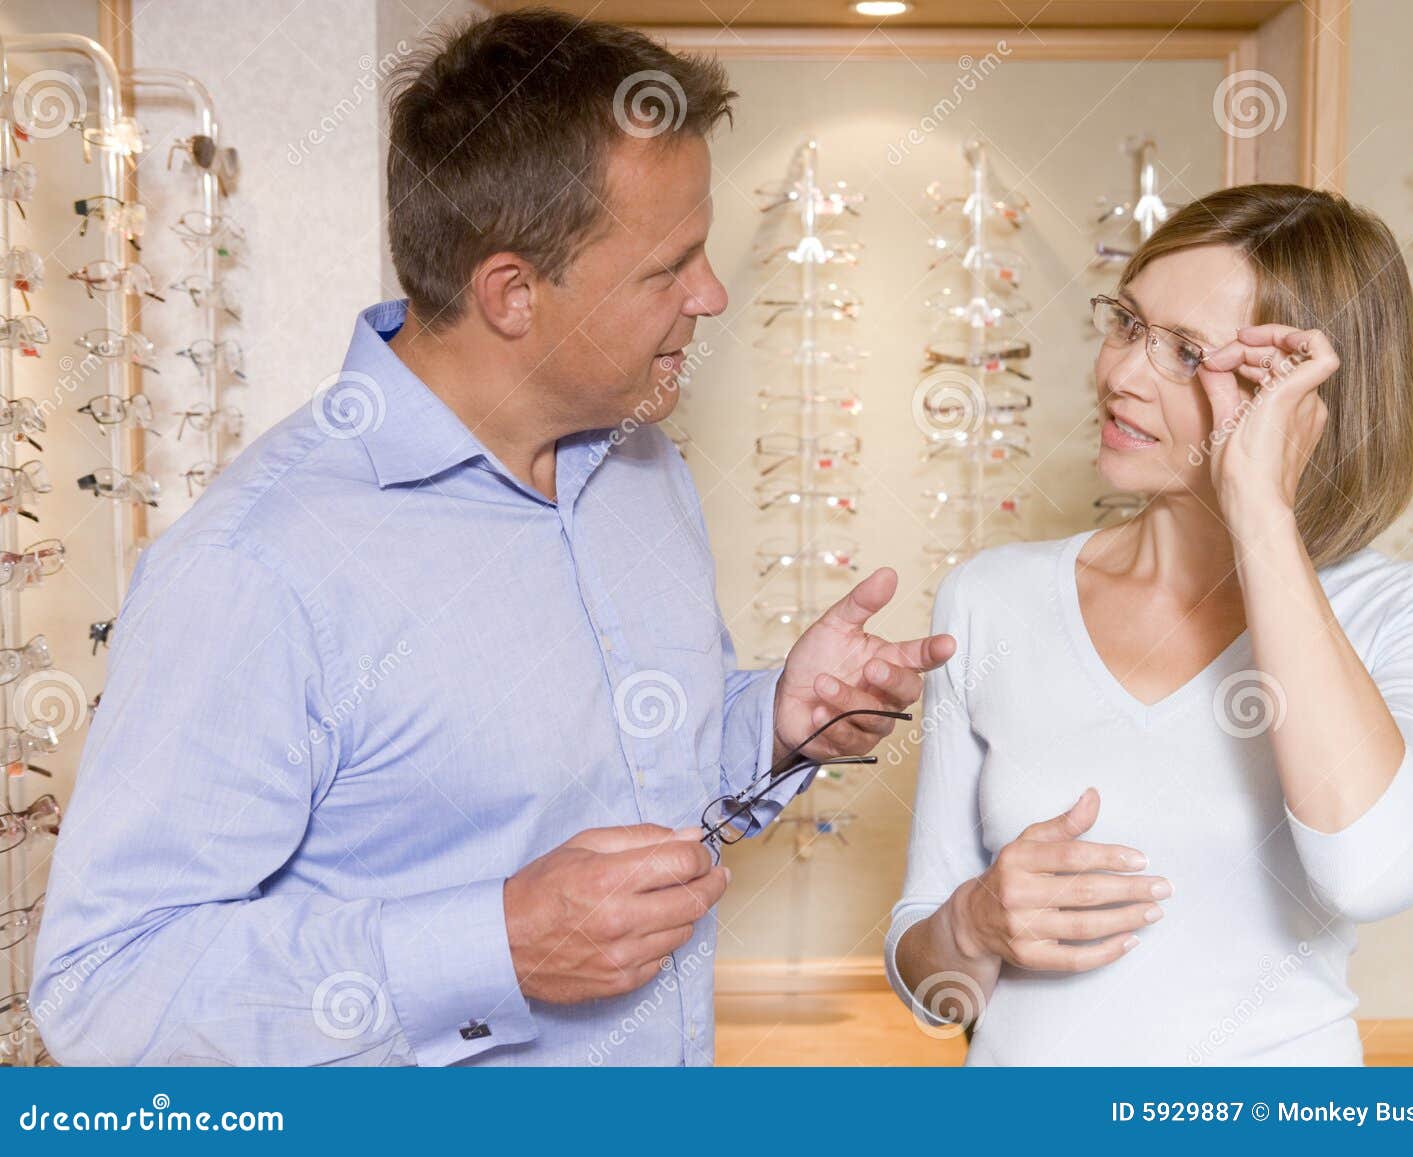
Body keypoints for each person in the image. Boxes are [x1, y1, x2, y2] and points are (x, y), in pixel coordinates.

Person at [31, 9, 952, 1067]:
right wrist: (493, 945)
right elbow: (106, 991)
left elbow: (609, 783)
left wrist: (775, 723)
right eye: (670, 266)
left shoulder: (642, 472)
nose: (712, 294)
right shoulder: (254, 566)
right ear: (511, 293)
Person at [886, 184, 1413, 1065]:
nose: (1123, 374)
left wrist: (1260, 510)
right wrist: (975, 920)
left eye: (1184, 353)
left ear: (1294, 392)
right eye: (1128, 324)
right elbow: (933, 984)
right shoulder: (991, 599)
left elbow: (1371, 871)